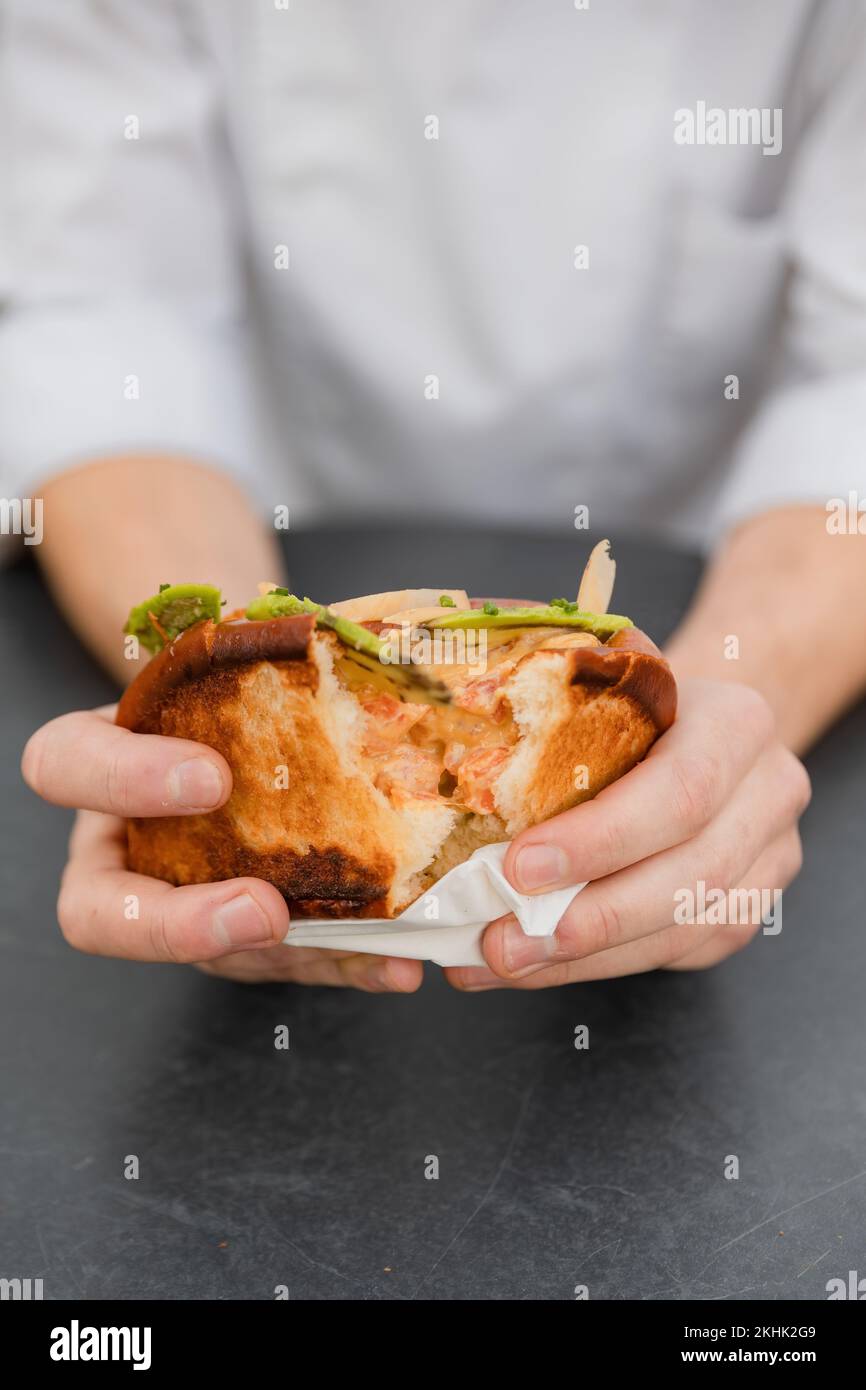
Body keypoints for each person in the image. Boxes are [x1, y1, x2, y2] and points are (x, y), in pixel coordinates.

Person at [6, 2, 865, 992]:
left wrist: (711, 756)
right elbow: (111, 313)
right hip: (265, 519)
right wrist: (208, 723)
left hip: (725, 561)